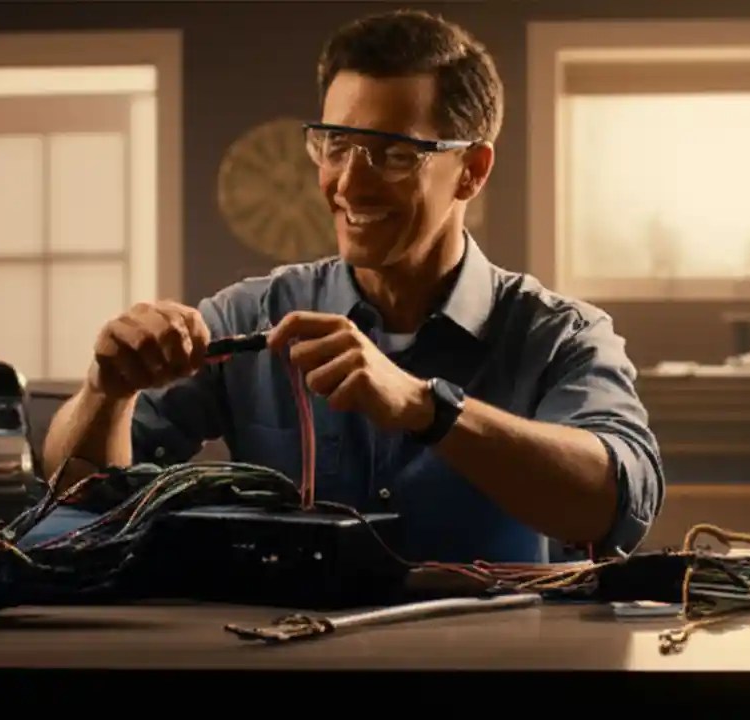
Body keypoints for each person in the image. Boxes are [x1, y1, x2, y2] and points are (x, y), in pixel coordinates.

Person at [39, 8, 664, 563]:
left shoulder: (562, 337)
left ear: (471, 170)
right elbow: (76, 493)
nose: (350, 185)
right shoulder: (248, 314)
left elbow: (613, 510)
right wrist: (106, 392)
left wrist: (428, 409)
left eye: (394, 155)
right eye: (336, 145)